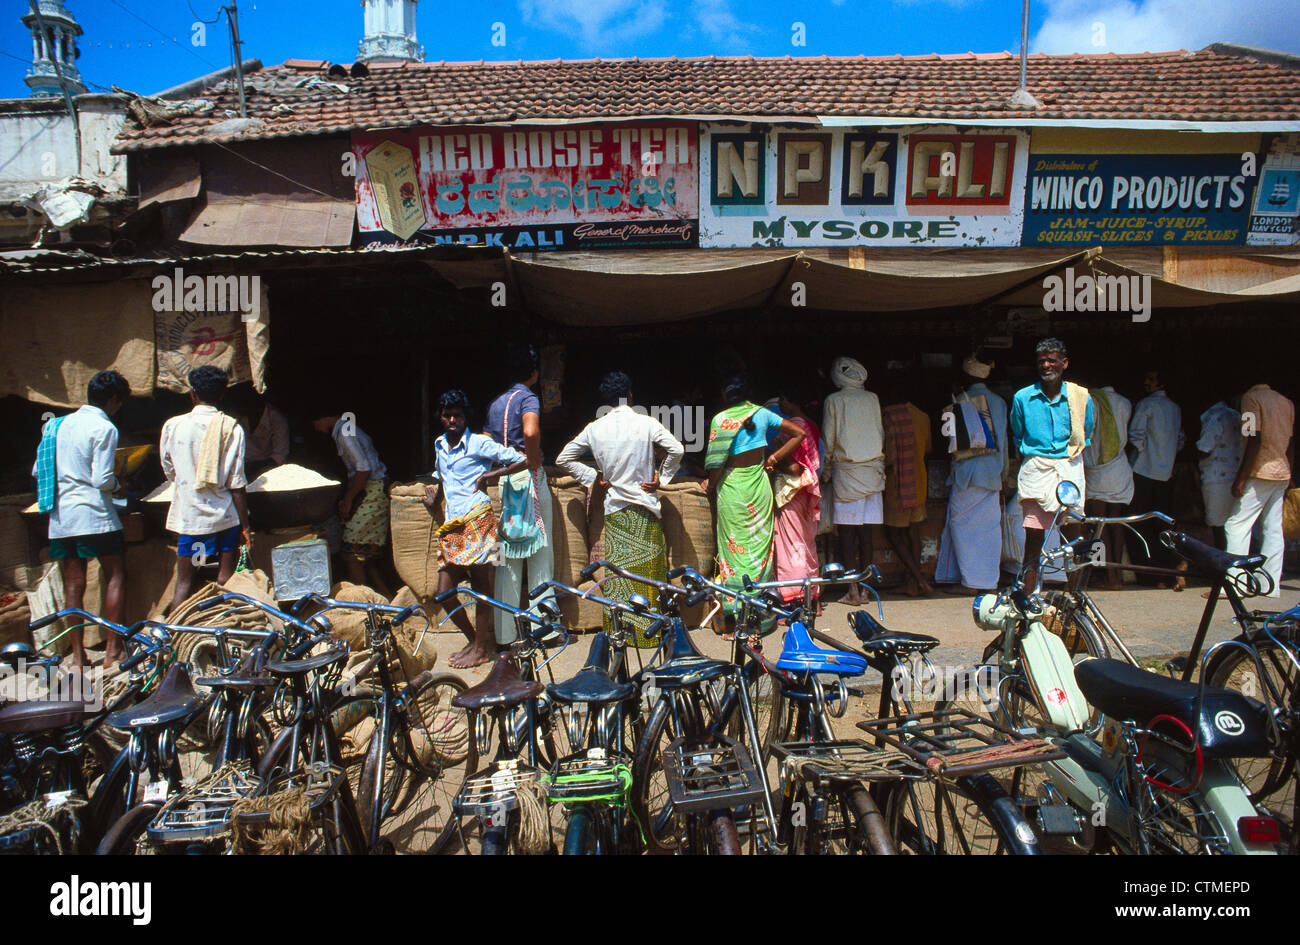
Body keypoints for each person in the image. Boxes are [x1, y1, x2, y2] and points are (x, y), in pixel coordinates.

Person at [557, 372, 684, 645]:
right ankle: (650, 635)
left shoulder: (595, 428)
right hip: (646, 508)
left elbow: (563, 458)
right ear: (629, 394)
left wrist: (594, 478)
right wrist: (662, 476)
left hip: (615, 511)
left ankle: (621, 632)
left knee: (620, 575)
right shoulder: (646, 423)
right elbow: (677, 449)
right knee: (649, 573)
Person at [32, 370, 131, 667]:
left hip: (61, 518)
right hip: (95, 516)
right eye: (119, 403)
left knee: (74, 585)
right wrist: (119, 484)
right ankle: (112, 651)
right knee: (115, 575)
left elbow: (38, 471)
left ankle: (78, 657)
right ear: (113, 400)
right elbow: (102, 479)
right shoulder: (104, 427)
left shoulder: (55, 427)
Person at [427, 390, 528, 668]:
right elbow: (442, 478)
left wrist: (490, 474)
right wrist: (434, 499)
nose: (451, 420)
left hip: (480, 520)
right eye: (447, 415)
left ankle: (481, 648)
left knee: (483, 587)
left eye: (457, 415)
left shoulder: (480, 444)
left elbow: (524, 459)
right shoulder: (439, 444)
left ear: (465, 417)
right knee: (444, 593)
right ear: (441, 417)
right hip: (453, 525)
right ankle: (475, 641)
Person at [706, 374, 805, 626]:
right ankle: (760, 615)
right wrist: (772, 459)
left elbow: (716, 464)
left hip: (733, 487)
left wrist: (710, 484)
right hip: (759, 486)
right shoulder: (762, 413)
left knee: (732, 548)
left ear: (725, 395)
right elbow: (799, 433)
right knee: (760, 548)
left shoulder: (721, 420)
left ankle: (736, 614)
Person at [160, 366, 251, 613]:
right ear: (222, 395)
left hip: (190, 517)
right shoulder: (231, 427)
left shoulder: (173, 426)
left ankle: (174, 639)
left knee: (185, 583)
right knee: (225, 580)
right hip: (224, 517)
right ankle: (225, 629)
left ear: (193, 394)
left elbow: (169, 470)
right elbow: (237, 483)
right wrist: (245, 526)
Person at [1009, 339, 1094, 592]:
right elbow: (1017, 433)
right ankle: (1026, 599)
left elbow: (1085, 434)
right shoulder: (1022, 398)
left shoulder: (1081, 397)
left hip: (1069, 468)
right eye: (1042, 361)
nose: (1046, 365)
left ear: (1064, 363)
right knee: (1034, 538)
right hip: (1036, 471)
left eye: (1052, 360)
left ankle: (1073, 602)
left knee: (1075, 538)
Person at [484, 344, 554, 645]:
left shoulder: (496, 403)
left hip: (504, 479)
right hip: (528, 477)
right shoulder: (527, 397)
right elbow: (529, 431)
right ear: (534, 373)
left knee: (506, 556)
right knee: (540, 551)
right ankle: (545, 628)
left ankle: (505, 633)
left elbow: (485, 441)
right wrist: (533, 456)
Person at [935, 355, 1008, 594]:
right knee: (989, 529)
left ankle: (970, 582)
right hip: (991, 475)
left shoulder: (959, 401)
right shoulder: (998, 402)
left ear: (967, 376)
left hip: (966, 474)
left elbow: (950, 439)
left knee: (962, 527)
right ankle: (986, 580)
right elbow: (1004, 443)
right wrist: (1004, 474)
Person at [821, 356, 884, 605]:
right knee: (866, 534)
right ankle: (866, 590)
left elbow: (829, 437)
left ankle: (853, 591)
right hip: (873, 472)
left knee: (847, 534)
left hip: (847, 472)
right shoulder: (872, 398)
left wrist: (825, 470)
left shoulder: (834, 400)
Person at [1224, 382, 1295, 598]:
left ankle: (1236, 584)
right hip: (1281, 471)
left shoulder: (1250, 399)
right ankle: (1269, 585)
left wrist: (1241, 476)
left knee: (1236, 525)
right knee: (1272, 529)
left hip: (1259, 471)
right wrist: (1288, 469)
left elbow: (1253, 437)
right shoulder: (1286, 402)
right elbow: (1290, 442)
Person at [311, 406, 391, 596]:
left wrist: (348, 499)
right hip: (369, 490)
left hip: (373, 491)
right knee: (364, 555)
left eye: (315, 423)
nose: (315, 428)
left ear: (323, 418)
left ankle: (363, 603)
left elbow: (363, 470)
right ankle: (385, 596)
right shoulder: (345, 428)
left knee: (352, 554)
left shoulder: (344, 432)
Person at [1126, 370, 1184, 585]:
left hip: (1143, 470)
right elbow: (1180, 439)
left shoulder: (1147, 404)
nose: (1146, 382)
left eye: (1151, 379)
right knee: (1161, 525)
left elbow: (1135, 434)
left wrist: (1141, 453)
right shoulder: (1175, 408)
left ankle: (1147, 574)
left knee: (1138, 523)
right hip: (1165, 473)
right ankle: (1165, 570)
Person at [881, 385, 933, 597]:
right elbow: (928, 448)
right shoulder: (922, 416)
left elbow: (887, 453)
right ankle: (913, 582)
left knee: (893, 532)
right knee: (913, 531)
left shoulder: (888, 416)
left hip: (898, 482)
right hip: (919, 479)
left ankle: (919, 581)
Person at [771, 388, 822, 607]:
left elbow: (793, 467)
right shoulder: (811, 424)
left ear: (790, 401)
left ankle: (795, 602)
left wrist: (773, 456)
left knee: (791, 545)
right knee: (806, 544)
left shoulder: (795, 426)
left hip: (792, 491)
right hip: (807, 489)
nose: (780, 403)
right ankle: (813, 600)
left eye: (782, 398)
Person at [1083, 383, 1134, 589]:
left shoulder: (1090, 401)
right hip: (1120, 469)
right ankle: (1117, 574)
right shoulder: (1125, 402)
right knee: (1116, 524)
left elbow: (1087, 435)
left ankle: (1107, 574)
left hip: (1099, 471)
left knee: (1098, 527)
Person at [1196, 397, 1243, 550]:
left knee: (1218, 527)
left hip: (1216, 479)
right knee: (1234, 526)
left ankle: (1222, 567)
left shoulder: (1214, 416)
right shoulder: (1236, 415)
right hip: (1235, 476)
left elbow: (1204, 448)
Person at [241, 390, 290, 478]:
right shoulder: (240, 418)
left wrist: (256, 466)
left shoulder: (276, 419)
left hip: (268, 469)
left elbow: (279, 456)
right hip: (244, 467)